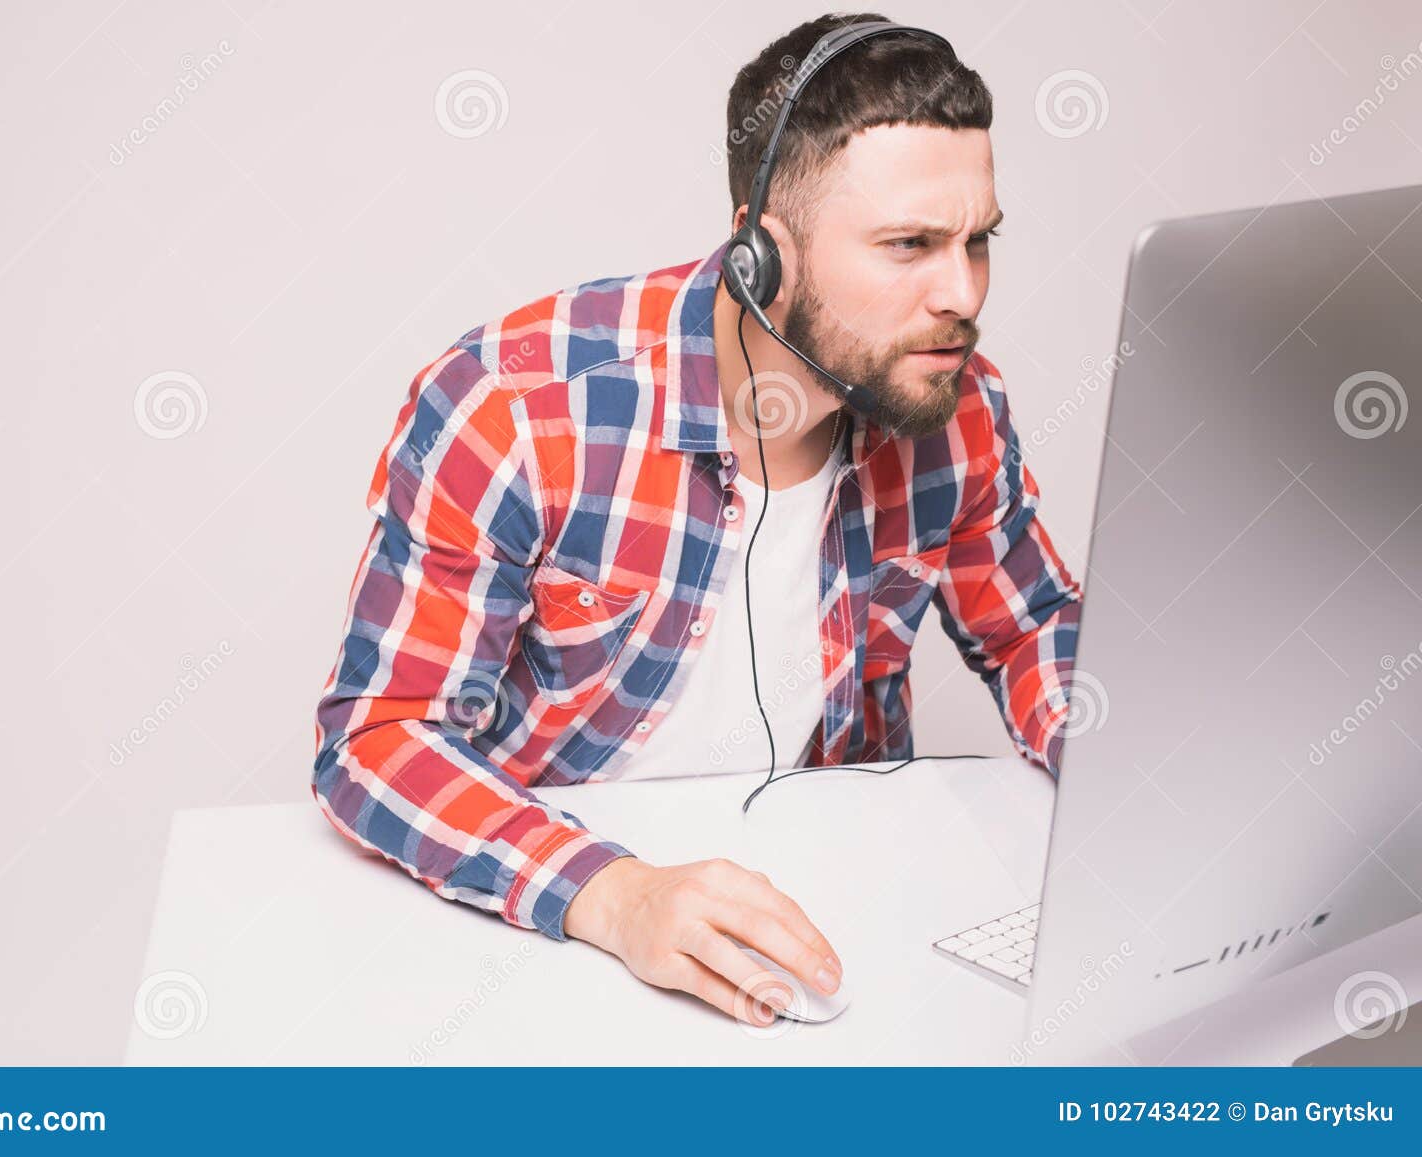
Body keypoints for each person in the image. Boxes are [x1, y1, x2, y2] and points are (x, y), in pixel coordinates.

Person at [311, 12, 1081, 1026]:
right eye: (910, 245)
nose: (963, 291)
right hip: (553, 918)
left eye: (977, 240)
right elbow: (377, 735)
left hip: (831, 918)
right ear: (763, 256)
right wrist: (617, 895)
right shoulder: (514, 404)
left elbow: (1032, 628)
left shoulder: (952, 401)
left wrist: (1128, 771)